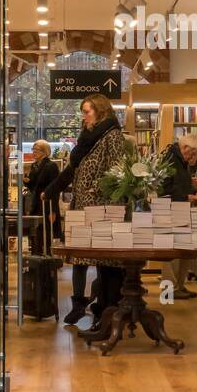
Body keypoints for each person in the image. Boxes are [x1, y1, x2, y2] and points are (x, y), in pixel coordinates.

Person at [45, 94, 127, 324]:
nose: (83, 116)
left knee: (103, 260)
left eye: (87, 111)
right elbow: (72, 169)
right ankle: (79, 304)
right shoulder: (86, 138)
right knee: (79, 256)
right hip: (81, 206)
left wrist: (95, 190)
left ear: (100, 111)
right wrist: (51, 190)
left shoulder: (113, 137)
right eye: (82, 111)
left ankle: (104, 308)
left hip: (100, 208)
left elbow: (117, 174)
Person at [157, 132, 197, 299]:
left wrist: (193, 191)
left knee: (184, 250)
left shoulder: (181, 160)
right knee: (170, 253)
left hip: (181, 208)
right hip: (170, 209)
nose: (193, 158)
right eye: (192, 154)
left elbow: (180, 182)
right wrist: (185, 196)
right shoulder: (170, 159)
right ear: (185, 148)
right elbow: (163, 188)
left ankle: (179, 286)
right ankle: (168, 291)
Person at [23, 140, 60, 254]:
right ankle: (35, 259)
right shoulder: (34, 166)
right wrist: (26, 181)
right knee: (35, 233)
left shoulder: (51, 166)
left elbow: (55, 188)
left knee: (46, 233)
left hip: (46, 205)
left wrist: (53, 210)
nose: (33, 152)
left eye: (36, 150)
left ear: (45, 151)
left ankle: (47, 261)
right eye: (33, 149)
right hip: (35, 203)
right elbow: (33, 185)